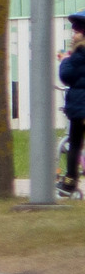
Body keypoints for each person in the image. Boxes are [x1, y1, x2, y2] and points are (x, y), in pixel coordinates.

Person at [58, 11, 85, 196]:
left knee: (74, 145)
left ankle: (69, 183)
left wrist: (65, 60)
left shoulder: (79, 54)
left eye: (76, 31)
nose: (73, 35)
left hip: (81, 108)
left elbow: (66, 76)